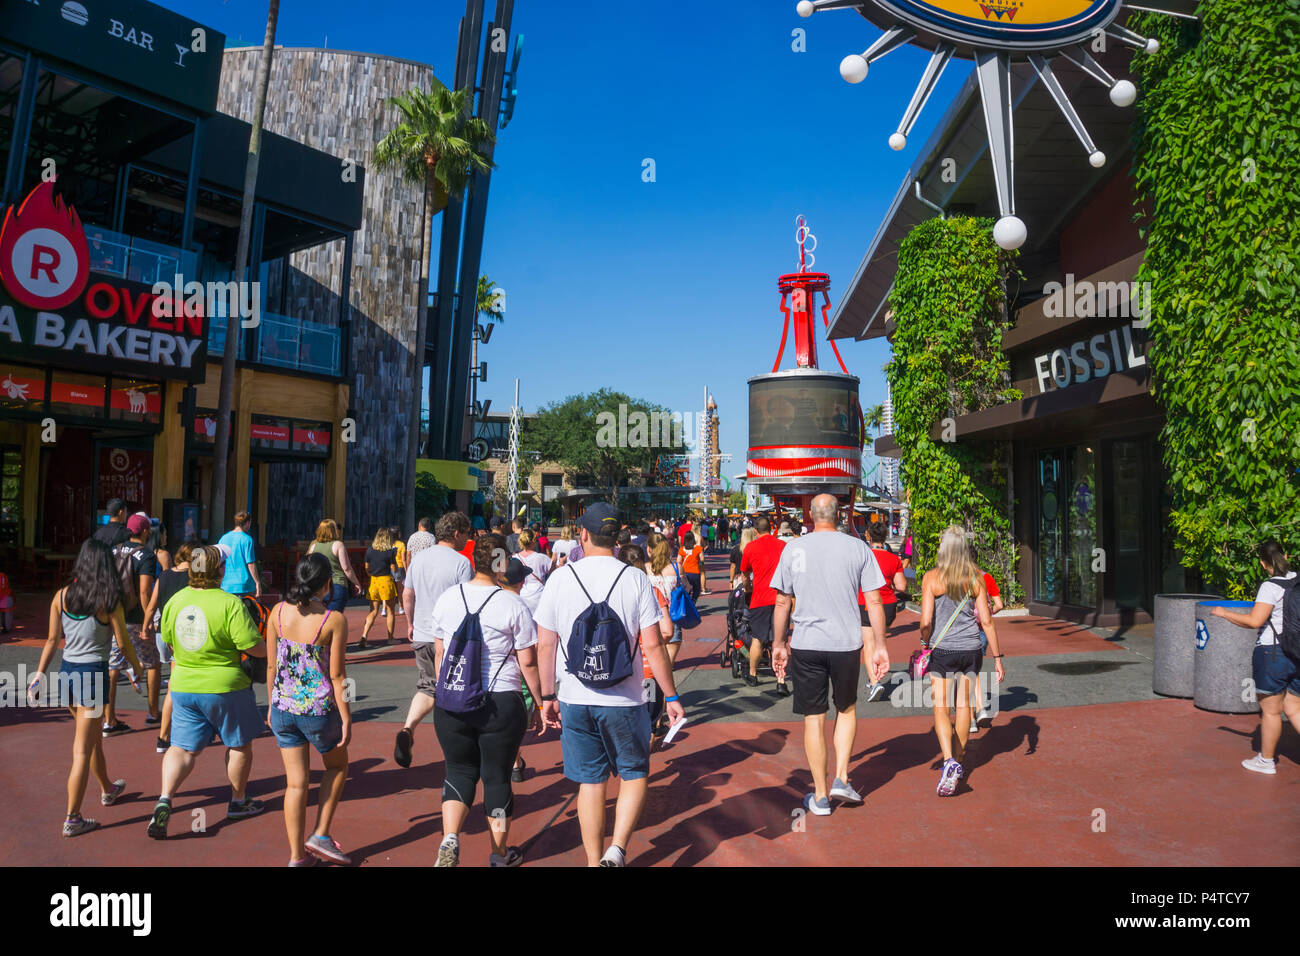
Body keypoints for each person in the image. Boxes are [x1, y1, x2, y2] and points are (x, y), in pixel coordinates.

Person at [535, 503, 684, 867]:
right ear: (618, 537)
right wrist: (671, 694)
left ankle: (592, 860)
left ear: (582, 535)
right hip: (626, 696)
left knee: (590, 781)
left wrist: (547, 696)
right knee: (633, 773)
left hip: (574, 695)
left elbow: (545, 644)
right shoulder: (634, 578)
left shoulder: (560, 578)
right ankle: (616, 849)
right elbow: (652, 643)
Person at [430, 533, 544, 867]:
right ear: (501, 563)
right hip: (500, 703)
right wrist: (539, 701)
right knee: (496, 778)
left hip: (451, 701)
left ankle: (450, 837)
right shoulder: (512, 604)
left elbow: (440, 653)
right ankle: (498, 854)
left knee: (459, 770)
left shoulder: (448, 599)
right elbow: (528, 662)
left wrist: (445, 691)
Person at [771, 495, 889, 816]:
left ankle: (820, 797)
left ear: (810, 514)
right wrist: (879, 645)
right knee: (846, 709)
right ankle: (841, 777)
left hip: (807, 643)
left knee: (814, 717)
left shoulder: (794, 549)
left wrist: (779, 643)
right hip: (846, 643)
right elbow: (874, 601)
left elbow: (782, 602)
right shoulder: (857, 548)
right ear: (840, 515)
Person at [147, 546, 269, 838]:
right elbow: (251, 645)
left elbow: (170, 641)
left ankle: (164, 798)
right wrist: (269, 651)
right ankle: (238, 800)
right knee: (239, 744)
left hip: (184, 686)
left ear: (191, 570)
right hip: (226, 686)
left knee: (182, 748)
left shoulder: (175, 600)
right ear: (220, 571)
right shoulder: (230, 604)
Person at [28, 539, 141, 836]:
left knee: (92, 740)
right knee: (81, 750)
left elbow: (53, 640)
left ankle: (107, 788)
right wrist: (137, 667)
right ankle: (73, 818)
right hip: (92, 675)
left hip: (68, 674)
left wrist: (39, 673)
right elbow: (123, 641)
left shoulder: (61, 596)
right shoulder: (108, 600)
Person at [266, 553, 352, 866]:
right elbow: (338, 674)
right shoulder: (332, 620)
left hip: (282, 708)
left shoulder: (276, 612)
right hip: (317, 710)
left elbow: (272, 665)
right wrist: (346, 716)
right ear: (326, 582)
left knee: (295, 784)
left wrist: (271, 702)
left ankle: (296, 856)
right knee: (337, 767)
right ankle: (321, 833)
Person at [917, 526, 1005, 797]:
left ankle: (948, 761)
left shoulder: (932, 578)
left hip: (942, 650)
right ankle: (959, 756)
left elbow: (926, 622)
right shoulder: (976, 579)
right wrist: (998, 658)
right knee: (964, 704)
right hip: (971, 649)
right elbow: (987, 621)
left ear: (942, 549)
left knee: (941, 708)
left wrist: (924, 643)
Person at [1209, 541, 1300, 775]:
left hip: (1273, 654)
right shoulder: (1297, 579)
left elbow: (1254, 621)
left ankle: (1266, 761)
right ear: (1286, 555)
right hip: (1297, 653)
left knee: (1270, 711)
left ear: (1262, 564)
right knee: (1294, 708)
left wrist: (1223, 613)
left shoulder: (1270, 587)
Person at [394, 511, 473, 768]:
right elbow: (467, 602)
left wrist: (411, 623)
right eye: (467, 533)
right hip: (450, 636)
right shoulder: (461, 563)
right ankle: (456, 744)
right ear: (457, 533)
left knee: (427, 687)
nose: (468, 539)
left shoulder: (418, 560)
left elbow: (408, 594)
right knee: (454, 689)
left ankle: (408, 728)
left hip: (422, 632)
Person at [104, 513, 160, 736]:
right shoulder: (146, 554)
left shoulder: (113, 550)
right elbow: (145, 591)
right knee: (153, 663)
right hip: (136, 618)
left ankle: (109, 720)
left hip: (113, 614)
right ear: (145, 531)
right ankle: (153, 713)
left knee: (113, 667)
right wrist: (149, 620)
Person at [142, 539, 200, 753]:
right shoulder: (194, 578)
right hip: (183, 635)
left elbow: (151, 605)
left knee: (179, 682)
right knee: (176, 687)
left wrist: (145, 627)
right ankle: (165, 736)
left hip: (162, 634)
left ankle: (172, 733)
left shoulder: (164, 576)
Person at [862, 522, 908, 703]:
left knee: (869, 644)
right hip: (888, 605)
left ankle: (875, 682)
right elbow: (902, 586)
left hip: (865, 603)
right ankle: (873, 675)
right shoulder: (893, 559)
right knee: (879, 641)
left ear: (868, 536)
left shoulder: (863, 557)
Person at [740, 517, 786, 690]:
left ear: (756, 532)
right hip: (780, 599)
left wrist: (748, 588)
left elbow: (744, 575)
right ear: (771, 528)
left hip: (759, 599)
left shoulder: (751, 547)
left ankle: (753, 674)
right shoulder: (782, 546)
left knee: (758, 639)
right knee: (779, 641)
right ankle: (780, 681)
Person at [645, 536, 685, 668]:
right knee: (667, 666)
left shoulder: (644, 569)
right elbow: (686, 587)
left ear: (649, 550)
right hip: (672, 617)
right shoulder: (676, 568)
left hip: (650, 620)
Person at [309, 519, 363, 613]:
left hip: (319, 586)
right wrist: (356, 582)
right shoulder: (338, 545)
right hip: (337, 584)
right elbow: (346, 568)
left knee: (319, 620)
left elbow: (309, 566)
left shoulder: (313, 546)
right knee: (334, 619)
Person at [360, 526, 400, 649]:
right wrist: (396, 568)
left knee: (373, 611)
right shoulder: (390, 551)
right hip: (386, 581)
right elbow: (394, 568)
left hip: (374, 581)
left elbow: (366, 567)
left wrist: (370, 574)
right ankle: (390, 638)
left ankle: (364, 635)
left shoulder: (370, 550)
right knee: (390, 611)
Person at [218, 512, 262, 600]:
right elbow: (251, 564)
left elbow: (219, 561)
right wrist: (257, 582)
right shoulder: (247, 539)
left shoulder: (223, 538)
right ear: (248, 523)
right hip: (245, 585)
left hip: (226, 585)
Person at [514, 528, 552, 614]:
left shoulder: (515, 558)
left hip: (521, 595)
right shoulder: (542, 558)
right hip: (539, 596)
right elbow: (555, 571)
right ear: (534, 541)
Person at [678, 532, 706, 599]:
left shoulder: (682, 549)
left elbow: (678, 561)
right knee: (696, 590)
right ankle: (693, 601)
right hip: (695, 572)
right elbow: (702, 559)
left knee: (686, 589)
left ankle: (687, 602)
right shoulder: (698, 548)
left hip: (685, 572)